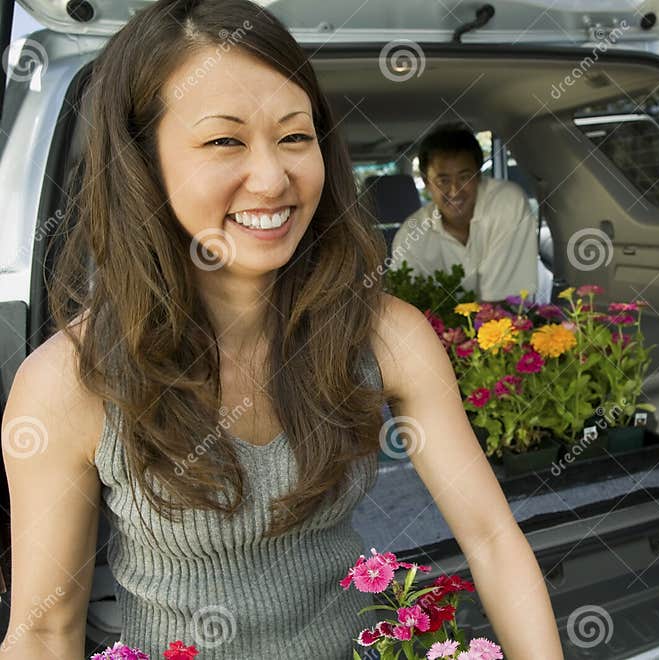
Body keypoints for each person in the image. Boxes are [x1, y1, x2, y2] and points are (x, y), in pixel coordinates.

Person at [0, 1, 563, 658]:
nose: (273, 178)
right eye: (224, 140)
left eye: (296, 137)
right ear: (142, 162)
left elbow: (493, 539)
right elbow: (43, 631)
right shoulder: (69, 382)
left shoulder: (388, 333)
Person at [390, 124, 539, 303]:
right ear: (426, 181)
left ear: (478, 175)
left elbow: (504, 302)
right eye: (443, 180)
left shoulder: (506, 203)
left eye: (464, 177)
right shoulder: (411, 236)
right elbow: (403, 305)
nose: (454, 191)